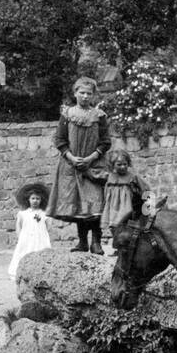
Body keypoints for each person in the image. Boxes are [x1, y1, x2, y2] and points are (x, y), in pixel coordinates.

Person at [47, 76, 111, 252]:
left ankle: (96, 242)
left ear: (93, 96)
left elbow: (105, 142)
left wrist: (91, 158)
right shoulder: (67, 115)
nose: (85, 96)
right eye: (81, 93)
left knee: (95, 204)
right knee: (78, 206)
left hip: (93, 166)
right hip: (71, 166)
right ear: (75, 93)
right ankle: (82, 241)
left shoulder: (99, 116)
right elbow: (59, 139)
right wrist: (71, 158)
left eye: (88, 94)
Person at [9, 182, 53, 284]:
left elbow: (48, 226)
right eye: (33, 198)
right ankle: (20, 274)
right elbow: (18, 226)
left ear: (41, 200)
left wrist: (43, 234)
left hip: (40, 238)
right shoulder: (23, 214)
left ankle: (41, 274)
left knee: (41, 253)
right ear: (28, 200)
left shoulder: (44, 213)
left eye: (38, 199)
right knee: (24, 253)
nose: (35, 201)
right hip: (26, 238)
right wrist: (21, 237)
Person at [100, 148, 147, 243]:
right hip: (112, 207)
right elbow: (106, 191)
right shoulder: (109, 177)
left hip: (126, 207)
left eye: (125, 164)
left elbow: (145, 188)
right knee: (113, 226)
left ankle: (124, 244)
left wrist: (147, 200)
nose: (122, 167)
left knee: (124, 226)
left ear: (128, 163)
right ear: (112, 165)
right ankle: (117, 243)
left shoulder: (132, 177)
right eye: (119, 164)